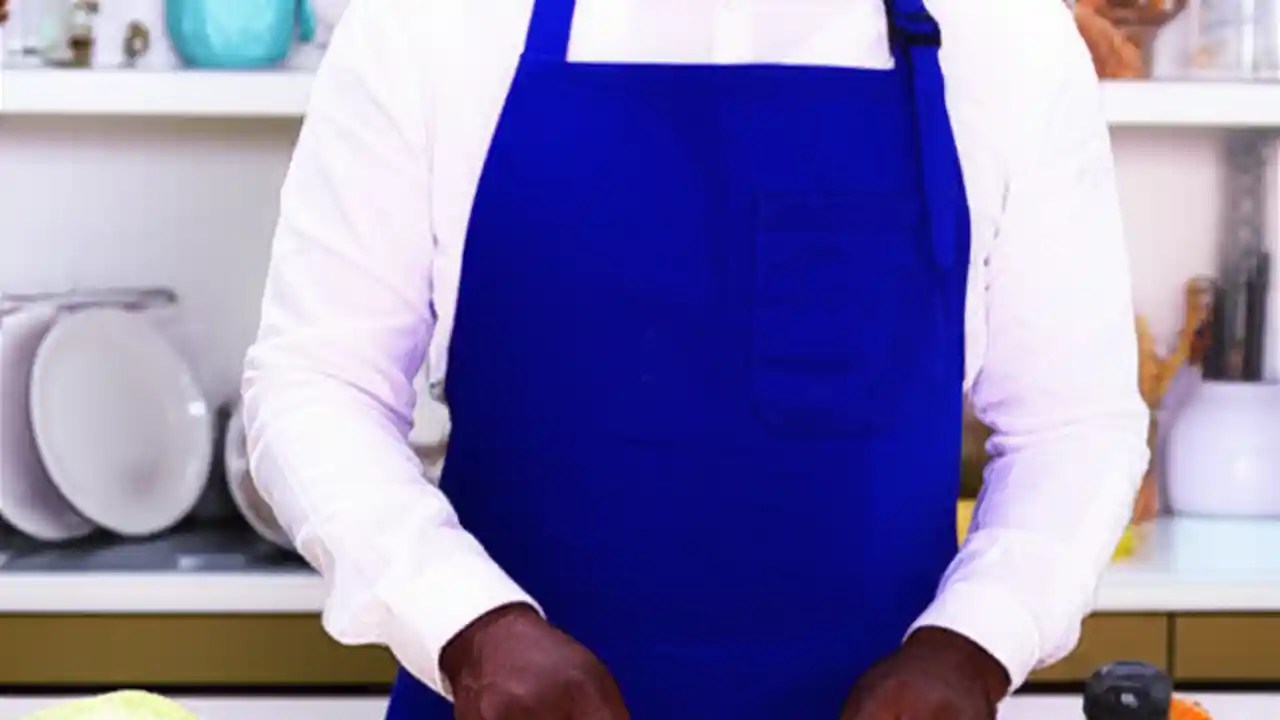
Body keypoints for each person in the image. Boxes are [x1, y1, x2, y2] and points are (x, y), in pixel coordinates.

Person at [243, 0, 1149, 717]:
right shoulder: (431, 25)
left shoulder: (1006, 39)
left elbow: (1073, 426)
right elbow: (316, 383)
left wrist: (972, 646)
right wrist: (468, 628)